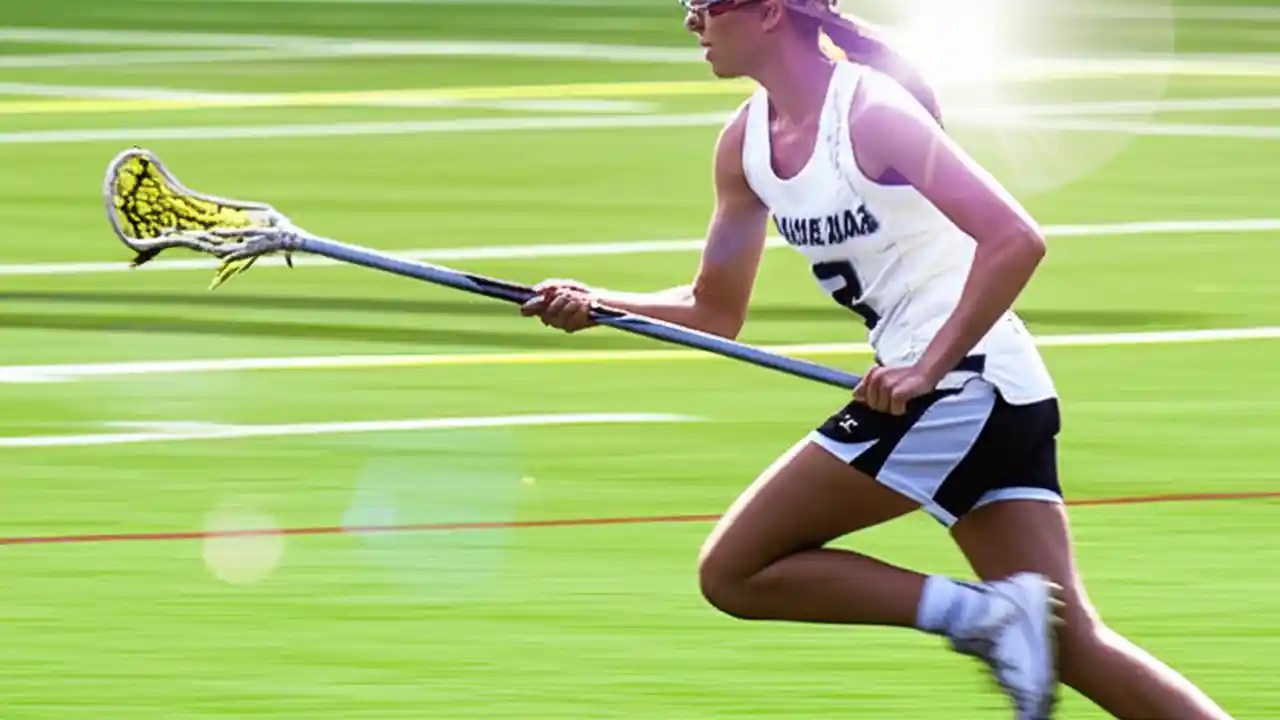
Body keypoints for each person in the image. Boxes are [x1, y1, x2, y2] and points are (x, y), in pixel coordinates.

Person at [520, 1, 1233, 718]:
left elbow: (1015, 239)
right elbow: (714, 309)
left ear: (770, 12)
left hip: (967, 387)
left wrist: (927, 369)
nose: (691, 21)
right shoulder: (744, 144)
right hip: (973, 396)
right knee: (1075, 646)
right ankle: (998, 614)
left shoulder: (872, 113)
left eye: (707, 3)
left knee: (735, 570)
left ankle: (982, 616)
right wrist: (598, 304)